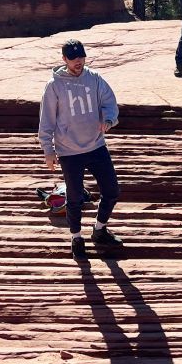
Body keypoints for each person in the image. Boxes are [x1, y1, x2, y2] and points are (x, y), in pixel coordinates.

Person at [38, 39, 121, 259]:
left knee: (112, 190)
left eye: (81, 57)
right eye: (73, 58)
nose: (78, 62)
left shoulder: (94, 79)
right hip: (68, 151)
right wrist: (48, 150)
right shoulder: (54, 86)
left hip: (96, 145)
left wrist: (109, 119)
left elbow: (109, 103)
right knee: (74, 198)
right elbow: (46, 120)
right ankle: (76, 238)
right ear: (64, 59)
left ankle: (100, 229)